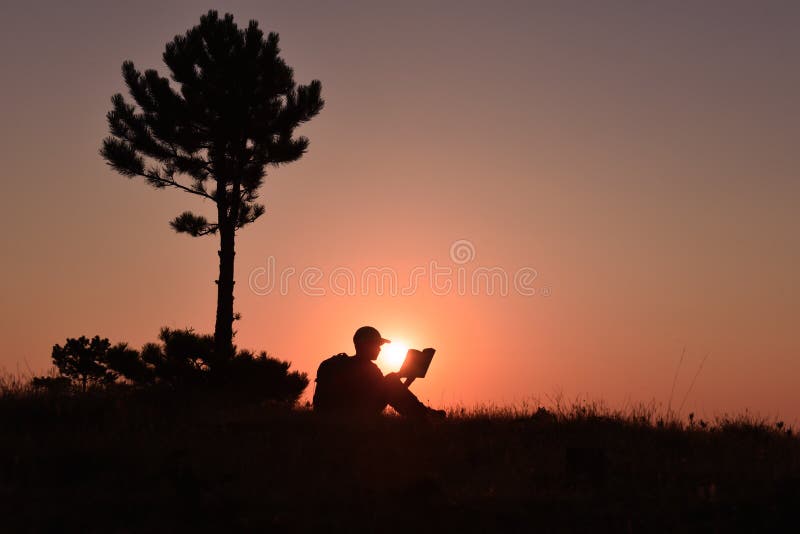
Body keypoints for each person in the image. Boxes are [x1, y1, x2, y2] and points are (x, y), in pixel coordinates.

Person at [313, 326, 446, 419]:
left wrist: (405, 378)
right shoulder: (368, 369)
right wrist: (400, 376)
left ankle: (423, 413)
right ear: (365, 345)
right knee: (391, 379)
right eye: (377, 345)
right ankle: (423, 414)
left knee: (391, 379)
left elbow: (385, 393)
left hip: (330, 414)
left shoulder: (340, 363)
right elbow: (387, 392)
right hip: (351, 415)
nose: (379, 349)